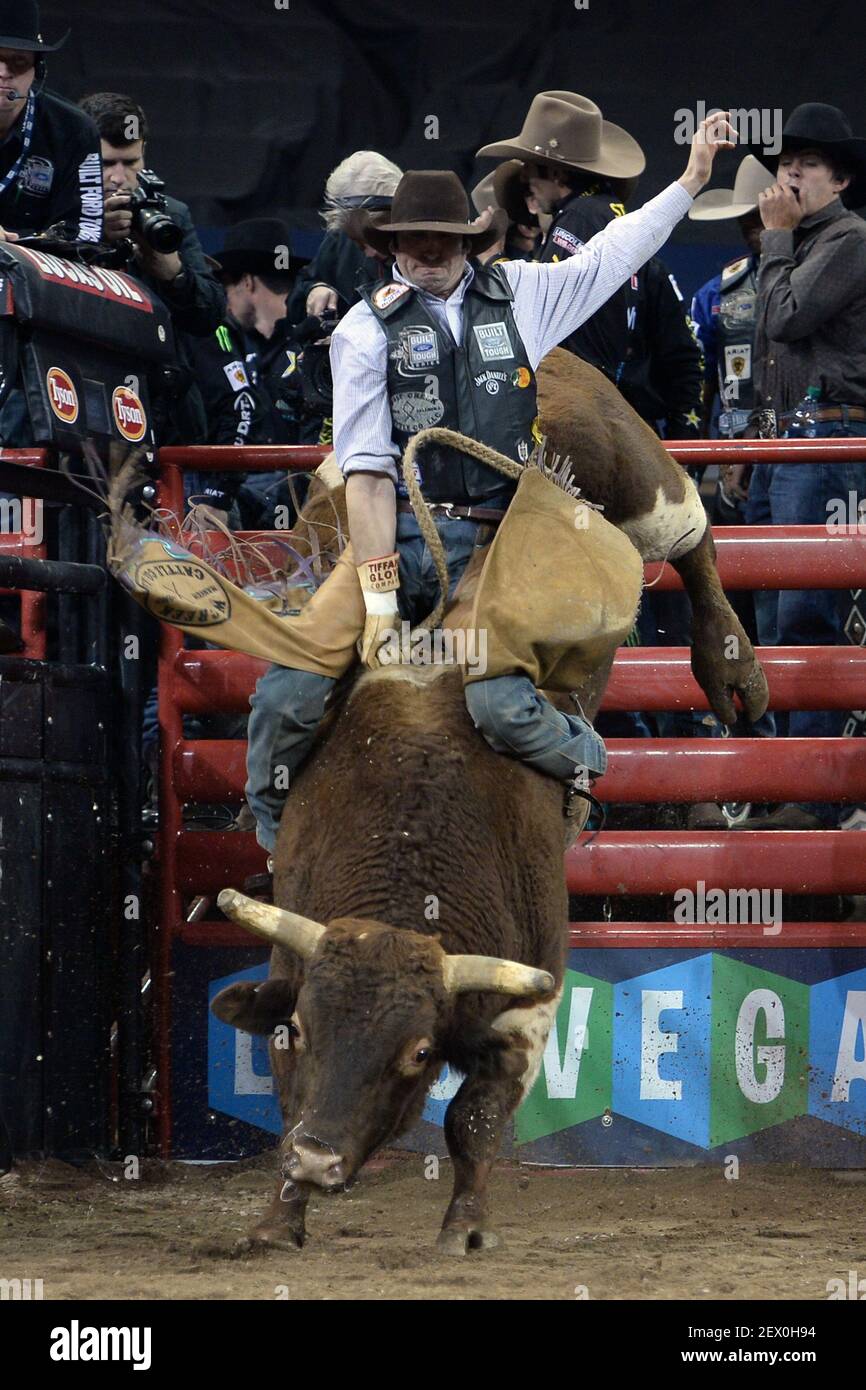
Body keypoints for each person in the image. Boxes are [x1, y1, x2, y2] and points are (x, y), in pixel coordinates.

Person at [243, 114, 735, 857]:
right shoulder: (362, 332)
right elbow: (369, 475)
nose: (431, 250)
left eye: (445, 236)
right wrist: (379, 601)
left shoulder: (524, 295)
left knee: (500, 707)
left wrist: (691, 181)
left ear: (468, 242)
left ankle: (585, 758)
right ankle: (274, 837)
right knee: (287, 689)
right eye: (416, 239)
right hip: (402, 532)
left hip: (502, 539)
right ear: (392, 247)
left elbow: (610, 255)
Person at [733, 103, 866, 832]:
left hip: (827, 446)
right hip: (785, 446)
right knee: (769, 622)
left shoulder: (849, 239)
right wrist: (755, 450)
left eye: (810, 163)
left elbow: (786, 320)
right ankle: (785, 779)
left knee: (807, 618)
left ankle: (816, 797)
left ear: (840, 179)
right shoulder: (793, 243)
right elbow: (769, 359)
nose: (791, 171)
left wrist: (777, 238)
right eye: (787, 160)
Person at [478, 91, 703, 439]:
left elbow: (542, 305)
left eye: (530, 174)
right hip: (611, 409)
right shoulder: (606, 212)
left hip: (580, 410)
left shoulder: (578, 218)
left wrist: (490, 259)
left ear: (555, 172)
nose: (527, 185)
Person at [0, 1, 102, 245]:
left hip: (34, 274)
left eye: (18, 61)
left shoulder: (76, 131)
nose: (3, 72)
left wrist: (15, 250)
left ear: (39, 70)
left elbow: (85, 235)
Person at [285, 150, 402, 323]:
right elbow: (296, 299)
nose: (370, 252)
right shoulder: (340, 240)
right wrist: (315, 288)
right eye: (359, 244)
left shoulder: (425, 246)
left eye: (377, 236)